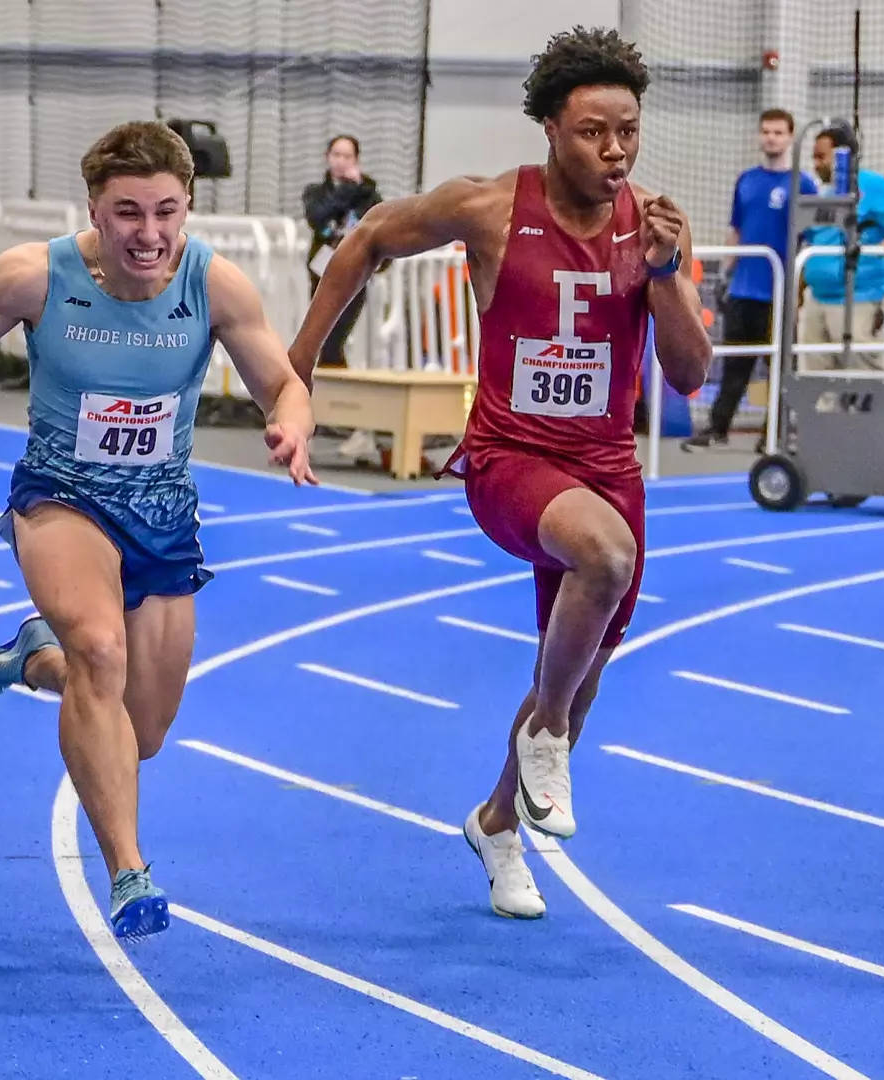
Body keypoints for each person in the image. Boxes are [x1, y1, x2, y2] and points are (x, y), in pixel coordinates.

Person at [0, 121, 318, 939]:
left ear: (189, 207)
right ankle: (130, 872)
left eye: (168, 212)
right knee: (102, 650)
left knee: (141, 731)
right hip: (61, 498)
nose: (151, 233)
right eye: (129, 213)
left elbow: (282, 381)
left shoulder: (217, 285)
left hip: (165, 520)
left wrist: (292, 422)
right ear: (95, 211)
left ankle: (35, 660)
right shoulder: (35, 277)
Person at [291, 28, 709, 920]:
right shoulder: (488, 209)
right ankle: (546, 733)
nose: (617, 150)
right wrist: (298, 366)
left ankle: (496, 822)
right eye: (596, 131)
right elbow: (366, 239)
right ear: (552, 129)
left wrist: (668, 276)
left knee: (583, 659)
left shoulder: (656, 230)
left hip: (607, 466)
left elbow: (690, 374)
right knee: (605, 562)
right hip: (511, 460)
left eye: (629, 130)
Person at [682, 108, 815, 451]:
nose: (771, 138)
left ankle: (774, 434)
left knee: (781, 367)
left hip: (780, 295)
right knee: (735, 366)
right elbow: (736, 231)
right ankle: (717, 428)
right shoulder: (746, 180)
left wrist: (801, 291)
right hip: (744, 290)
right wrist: (728, 273)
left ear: (790, 137)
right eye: (766, 131)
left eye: (778, 132)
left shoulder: (804, 184)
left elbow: (811, 240)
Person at [798, 125, 884, 368]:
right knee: (815, 373)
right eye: (814, 157)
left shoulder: (871, 185)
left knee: (863, 367)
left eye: (821, 157)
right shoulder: (824, 195)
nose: (816, 164)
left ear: (842, 156)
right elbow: (814, 242)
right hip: (819, 297)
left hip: (860, 295)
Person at [302, 134, 383, 369]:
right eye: (336, 155)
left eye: (347, 156)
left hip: (355, 272)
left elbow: (375, 218)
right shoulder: (315, 192)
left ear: (356, 160)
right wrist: (347, 191)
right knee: (322, 337)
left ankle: (337, 389)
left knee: (337, 337)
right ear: (327, 157)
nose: (341, 161)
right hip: (322, 272)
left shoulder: (369, 194)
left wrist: (360, 189)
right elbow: (318, 217)